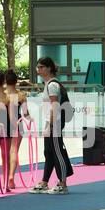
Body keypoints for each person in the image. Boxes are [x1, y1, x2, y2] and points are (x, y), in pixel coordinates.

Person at [33, 56, 73, 195]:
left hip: (54, 123)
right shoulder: (48, 84)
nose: (38, 70)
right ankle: (45, 182)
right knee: (48, 153)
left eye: (41, 67)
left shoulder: (52, 85)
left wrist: (50, 125)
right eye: (38, 67)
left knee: (57, 152)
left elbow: (54, 106)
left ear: (49, 68)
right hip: (50, 122)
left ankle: (63, 184)